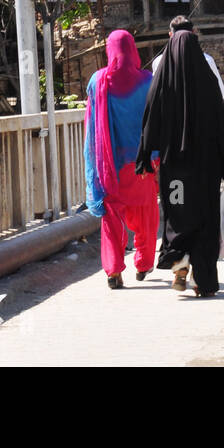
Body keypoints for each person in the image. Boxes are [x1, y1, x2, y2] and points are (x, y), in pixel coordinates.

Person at [137, 29, 224, 297]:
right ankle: (204, 281)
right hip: (207, 168)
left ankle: (180, 265)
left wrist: (145, 155)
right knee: (206, 220)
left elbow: (150, 120)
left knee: (178, 214)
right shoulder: (207, 80)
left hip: (175, 169)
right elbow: (221, 127)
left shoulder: (162, 81)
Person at [84, 30, 157, 290]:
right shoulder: (148, 81)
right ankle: (144, 263)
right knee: (145, 212)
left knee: (111, 217)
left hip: (109, 165)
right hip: (141, 165)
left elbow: (92, 125)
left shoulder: (97, 81)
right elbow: (155, 124)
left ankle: (113, 271)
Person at [151, 15, 224, 93]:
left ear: (170, 35)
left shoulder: (158, 62)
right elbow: (220, 92)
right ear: (193, 33)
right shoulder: (207, 61)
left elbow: (156, 93)